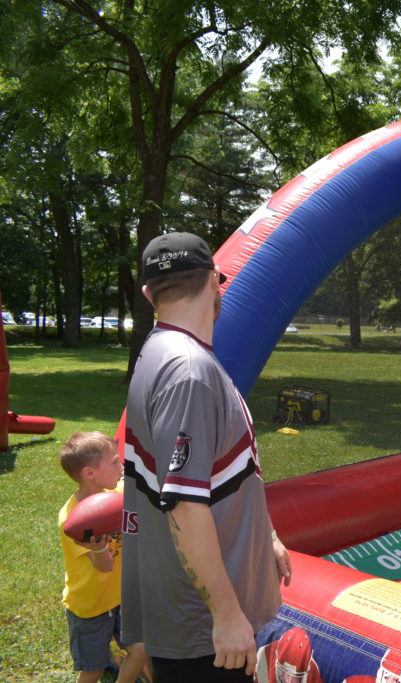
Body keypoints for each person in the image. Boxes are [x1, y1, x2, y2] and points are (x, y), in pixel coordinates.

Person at [122, 231, 291, 681]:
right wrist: (227, 614)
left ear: (147, 293)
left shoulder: (158, 352)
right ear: (217, 281)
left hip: (186, 614)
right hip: (203, 628)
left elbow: (215, 471)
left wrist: (265, 535)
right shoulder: (190, 373)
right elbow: (182, 504)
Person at [58, 431, 149, 683]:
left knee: (141, 650)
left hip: (120, 597)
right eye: (114, 462)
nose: (121, 466)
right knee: (93, 670)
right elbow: (104, 567)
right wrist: (99, 548)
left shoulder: (118, 491)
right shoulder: (74, 521)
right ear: (90, 474)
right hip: (90, 606)